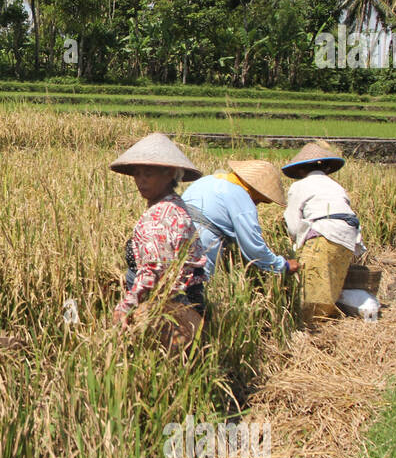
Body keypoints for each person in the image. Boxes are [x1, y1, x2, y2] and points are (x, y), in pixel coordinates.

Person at [108, 133, 208, 349]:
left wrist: (126, 306)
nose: (141, 181)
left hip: (168, 312)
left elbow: (154, 268)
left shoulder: (159, 216)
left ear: (169, 174)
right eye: (137, 174)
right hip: (189, 306)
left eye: (149, 174)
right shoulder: (177, 206)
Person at [281, 141, 366, 326]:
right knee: (332, 279)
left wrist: (293, 244)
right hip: (348, 234)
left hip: (324, 231)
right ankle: (326, 319)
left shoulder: (299, 186)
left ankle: (311, 323)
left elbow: (294, 225)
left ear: (301, 170)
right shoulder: (336, 186)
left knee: (312, 283)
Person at [180, 160, 299, 278]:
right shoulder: (241, 197)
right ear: (257, 190)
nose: (257, 203)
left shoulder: (208, 180)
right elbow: (253, 246)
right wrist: (282, 265)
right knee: (196, 286)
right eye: (260, 199)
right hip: (202, 242)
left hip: (177, 231)